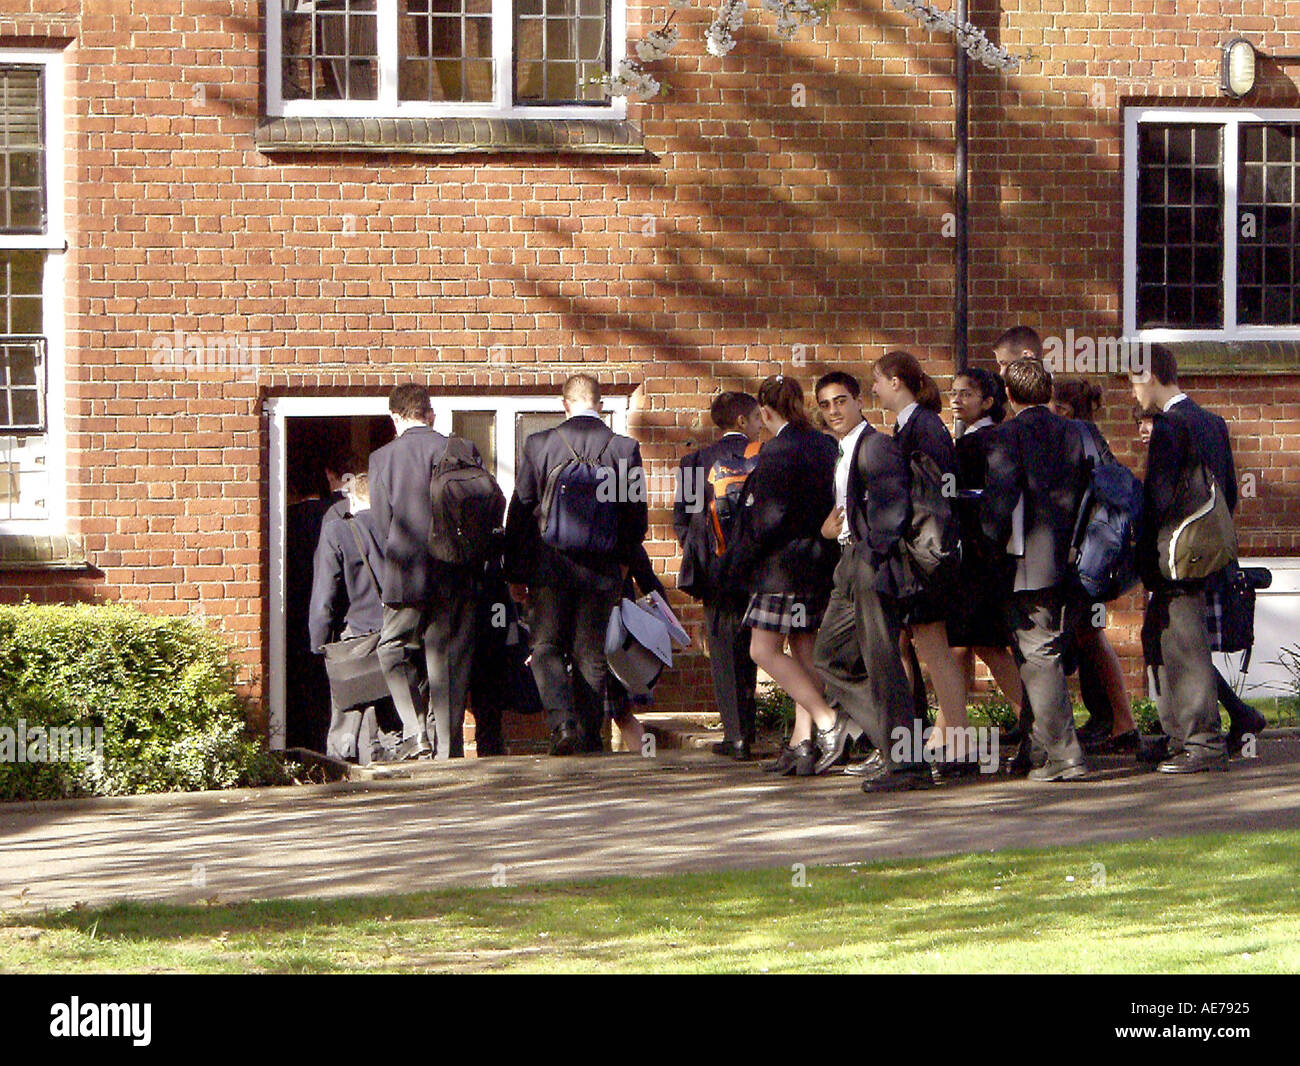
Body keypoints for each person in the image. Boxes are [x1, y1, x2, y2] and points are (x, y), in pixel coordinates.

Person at [503, 374, 649, 756]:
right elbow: (636, 517)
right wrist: (623, 564)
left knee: (546, 645)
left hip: (549, 568)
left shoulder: (539, 445)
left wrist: (515, 574)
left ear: (564, 404)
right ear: (599, 404)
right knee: (591, 654)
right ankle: (588, 738)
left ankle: (561, 723)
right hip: (601, 571)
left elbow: (519, 512)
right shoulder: (624, 448)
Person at [719, 374, 851, 776]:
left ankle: (827, 722)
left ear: (765, 410)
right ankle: (802, 743)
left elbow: (767, 521)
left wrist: (737, 563)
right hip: (820, 564)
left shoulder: (776, 452)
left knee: (763, 650)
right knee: (805, 652)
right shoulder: (826, 444)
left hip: (781, 569)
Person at [1131, 345, 1252, 772]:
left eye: (1134, 380)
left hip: (1173, 554)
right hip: (1205, 551)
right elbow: (1230, 492)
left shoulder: (1169, 426)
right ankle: (1178, 736)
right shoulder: (1212, 422)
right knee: (1159, 638)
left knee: (1184, 642)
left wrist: (1141, 548)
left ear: (1151, 376)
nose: (1133, 392)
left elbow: (1159, 497)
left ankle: (1200, 741)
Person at [813, 371, 933, 791]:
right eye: (825, 405)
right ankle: (899, 746)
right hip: (848, 565)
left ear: (859, 401)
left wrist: (868, 554)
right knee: (828, 656)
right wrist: (833, 533)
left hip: (870, 566)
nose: (834, 411)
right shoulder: (842, 451)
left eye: (841, 401)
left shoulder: (877, 445)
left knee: (882, 663)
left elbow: (893, 510)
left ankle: (907, 762)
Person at [982, 358, 1092, 781]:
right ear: (1047, 392)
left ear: (1008, 395)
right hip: (1072, 557)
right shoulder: (1075, 431)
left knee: (1038, 653)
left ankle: (1065, 754)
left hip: (1026, 563)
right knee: (1037, 653)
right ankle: (1040, 750)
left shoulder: (1005, 435)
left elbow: (1000, 500)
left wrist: (984, 543)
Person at [871, 350, 973, 776]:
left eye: (877, 380)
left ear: (897, 381)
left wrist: (923, 551)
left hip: (926, 556)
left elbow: (933, 497)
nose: (873, 388)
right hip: (921, 554)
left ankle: (962, 745)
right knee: (927, 647)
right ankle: (946, 739)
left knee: (935, 649)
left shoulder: (923, 427)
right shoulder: (913, 425)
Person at [369, 383, 482, 760]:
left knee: (390, 650)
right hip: (457, 574)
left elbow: (383, 525)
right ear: (430, 413)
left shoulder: (382, 458)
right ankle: (447, 751)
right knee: (446, 664)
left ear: (396, 417)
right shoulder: (461, 450)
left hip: (406, 576)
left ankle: (416, 731)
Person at [1049, 377, 1138, 752]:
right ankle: (1115, 721)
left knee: (1085, 637)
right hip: (1096, 560)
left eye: (1053, 408)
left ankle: (1121, 721)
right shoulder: (1093, 437)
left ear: (1065, 410)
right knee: (1089, 634)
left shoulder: (1074, 436)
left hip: (1083, 560)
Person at [673, 391, 763, 760]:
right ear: (742, 422)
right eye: (757, 418)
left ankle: (736, 734)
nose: (761, 424)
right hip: (758, 569)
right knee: (757, 650)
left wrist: (702, 557)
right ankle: (750, 728)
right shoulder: (763, 457)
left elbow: (685, 521)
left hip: (716, 572)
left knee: (724, 653)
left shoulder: (696, 462)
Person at [947, 368, 1024, 729]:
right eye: (954, 392)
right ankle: (951, 727)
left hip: (978, 561)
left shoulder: (978, 442)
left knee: (987, 644)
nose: (956, 399)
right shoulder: (988, 439)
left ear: (989, 402)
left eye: (966, 394)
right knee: (968, 644)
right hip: (985, 559)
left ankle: (1032, 722)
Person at [308, 472, 387, 762]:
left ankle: (344, 772)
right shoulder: (397, 529)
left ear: (352, 498)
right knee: (387, 715)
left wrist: (319, 642)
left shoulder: (337, 532)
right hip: (393, 632)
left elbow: (324, 595)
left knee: (346, 714)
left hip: (354, 635)